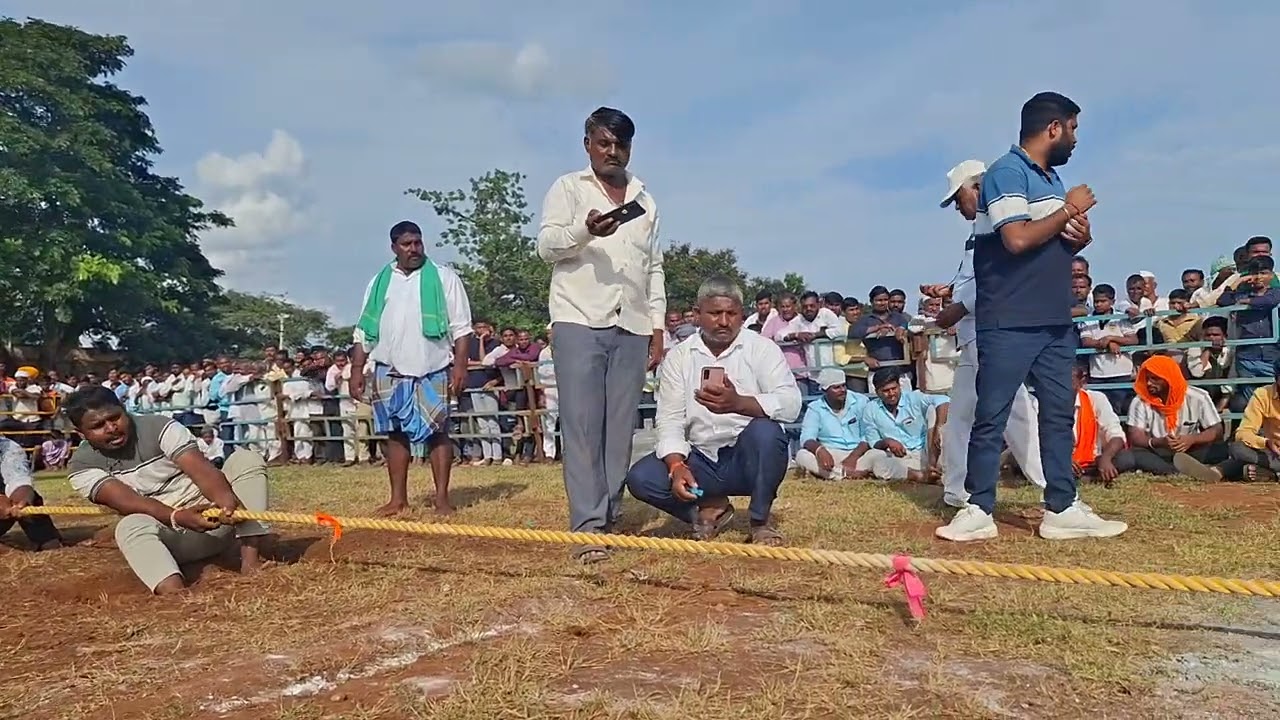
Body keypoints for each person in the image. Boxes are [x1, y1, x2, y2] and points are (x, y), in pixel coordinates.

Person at [937, 91, 1127, 542]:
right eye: (1074, 128)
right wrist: (1070, 209)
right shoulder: (1007, 171)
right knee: (992, 415)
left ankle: (1061, 507)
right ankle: (978, 508)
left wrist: (1076, 238)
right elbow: (1017, 240)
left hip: (1053, 319)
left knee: (1058, 416)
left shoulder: (1051, 178)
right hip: (1009, 318)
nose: (1077, 139)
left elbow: (1046, 242)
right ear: (1054, 128)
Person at [537, 107, 666, 563]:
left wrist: (657, 325)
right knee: (583, 425)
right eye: (604, 143)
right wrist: (585, 231)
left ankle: (609, 512)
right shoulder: (569, 188)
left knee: (619, 431)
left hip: (631, 322)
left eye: (621, 144)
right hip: (578, 318)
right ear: (587, 143)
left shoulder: (645, 200)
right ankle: (588, 527)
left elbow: (653, 267)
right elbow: (546, 247)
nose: (613, 152)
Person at [624, 277, 799, 546]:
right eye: (715, 313)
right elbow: (670, 419)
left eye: (732, 314)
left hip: (746, 459)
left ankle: (760, 522)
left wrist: (740, 403)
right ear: (697, 315)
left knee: (767, 432)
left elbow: (791, 404)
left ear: (743, 314)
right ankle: (707, 511)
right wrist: (676, 465)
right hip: (701, 459)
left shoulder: (762, 348)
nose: (724, 321)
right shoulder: (679, 357)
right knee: (641, 478)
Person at [64, 386, 269, 595]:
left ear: (124, 410)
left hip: (220, 519)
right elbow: (129, 502)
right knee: (129, 525)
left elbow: (202, 471)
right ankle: (174, 595)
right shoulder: (81, 467)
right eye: (98, 425)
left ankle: (250, 560)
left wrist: (226, 504)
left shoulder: (159, 426)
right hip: (174, 537)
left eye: (115, 417)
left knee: (246, 459)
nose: (111, 428)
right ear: (81, 433)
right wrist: (177, 516)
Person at [927, 159, 1047, 509]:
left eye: (958, 198)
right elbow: (973, 281)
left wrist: (957, 308)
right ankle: (958, 488)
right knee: (976, 415)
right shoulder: (979, 230)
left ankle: (1047, 485)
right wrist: (948, 291)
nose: (957, 208)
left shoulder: (999, 224)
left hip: (990, 333)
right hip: (977, 337)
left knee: (1014, 413)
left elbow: (1000, 281)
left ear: (977, 189)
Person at [349, 221, 472, 516]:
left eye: (417, 242)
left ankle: (442, 499)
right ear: (394, 248)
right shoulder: (379, 282)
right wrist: (356, 369)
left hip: (433, 366)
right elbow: (365, 329)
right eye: (407, 244)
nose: (414, 249)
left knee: (439, 432)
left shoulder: (444, 278)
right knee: (394, 433)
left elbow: (462, 328)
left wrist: (460, 367)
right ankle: (398, 500)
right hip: (388, 368)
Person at [1125, 355, 1232, 483]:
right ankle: (1183, 472)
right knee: (1131, 456)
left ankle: (1179, 471)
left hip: (1192, 451)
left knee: (1226, 450)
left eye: (1154, 379)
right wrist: (1159, 442)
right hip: (1157, 452)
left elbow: (1217, 430)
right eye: (1147, 379)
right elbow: (1136, 437)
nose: (1148, 383)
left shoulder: (1198, 397)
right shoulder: (1139, 401)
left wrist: (1191, 440)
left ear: (1168, 378)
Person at [859, 368, 948, 482]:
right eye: (886, 391)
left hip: (927, 452)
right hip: (900, 459)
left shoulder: (914, 397)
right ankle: (921, 476)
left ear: (899, 386)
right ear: (877, 392)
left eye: (894, 389)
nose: (891, 394)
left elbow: (943, 400)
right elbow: (873, 442)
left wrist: (938, 428)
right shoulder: (871, 408)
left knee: (933, 410)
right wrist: (887, 441)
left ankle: (932, 467)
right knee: (874, 456)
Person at [795, 368, 875, 480]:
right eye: (836, 387)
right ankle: (842, 475)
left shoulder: (861, 401)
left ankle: (839, 473)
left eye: (843, 385)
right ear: (824, 390)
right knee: (802, 455)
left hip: (860, 454)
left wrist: (853, 457)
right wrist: (820, 450)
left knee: (878, 455)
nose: (842, 390)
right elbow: (807, 437)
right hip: (831, 456)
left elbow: (869, 434)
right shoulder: (815, 408)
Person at [0, 436, 62, 550]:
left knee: (29, 497)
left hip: (5, 507)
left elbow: (18, 478)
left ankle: (44, 537)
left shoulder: (7, 447)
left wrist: (21, 502)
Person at [1229, 358, 1280, 482]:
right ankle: (1273, 473)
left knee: (1240, 465)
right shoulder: (1262, 394)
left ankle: (1268, 474)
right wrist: (1266, 443)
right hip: (1273, 454)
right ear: (1277, 378)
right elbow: (1243, 433)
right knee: (1237, 448)